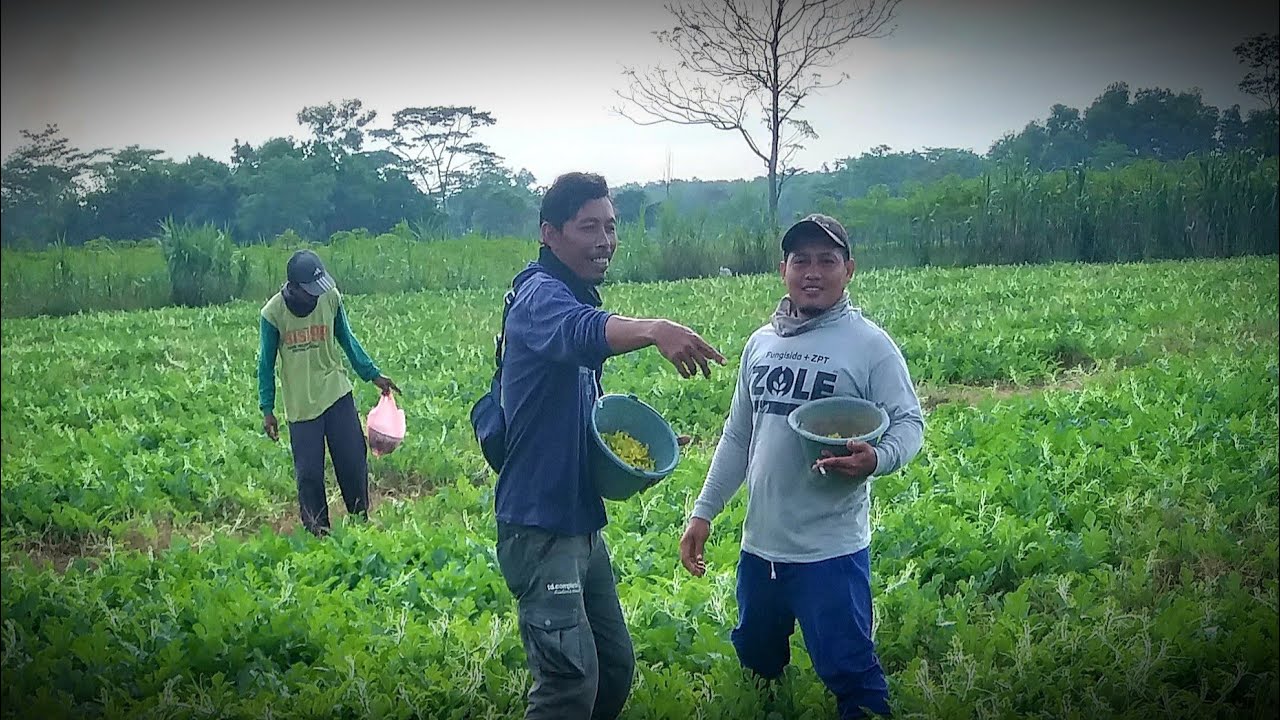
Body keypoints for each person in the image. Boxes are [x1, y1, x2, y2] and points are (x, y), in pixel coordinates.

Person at [494, 171, 726, 720]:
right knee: (567, 687)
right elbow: (580, 331)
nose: (605, 240)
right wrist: (654, 329)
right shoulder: (540, 297)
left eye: (611, 226)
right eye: (588, 227)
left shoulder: (570, 291)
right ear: (550, 233)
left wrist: (613, 445)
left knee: (613, 667)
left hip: (581, 524)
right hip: (541, 524)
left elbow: (575, 376)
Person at [678, 214, 924, 719]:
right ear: (783, 269)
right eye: (801, 260)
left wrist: (876, 457)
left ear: (848, 270)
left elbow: (909, 424)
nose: (813, 271)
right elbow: (738, 435)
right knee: (758, 661)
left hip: (830, 551)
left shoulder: (869, 346)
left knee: (852, 673)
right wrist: (703, 513)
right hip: (760, 548)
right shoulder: (761, 344)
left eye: (827, 261)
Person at [258, 249, 400, 536]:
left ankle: (361, 520)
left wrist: (372, 374)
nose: (315, 295)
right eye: (309, 290)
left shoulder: (330, 298)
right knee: (308, 474)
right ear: (294, 287)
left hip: (335, 391)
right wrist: (267, 409)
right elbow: (265, 364)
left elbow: (347, 339)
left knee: (353, 457)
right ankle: (318, 532)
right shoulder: (273, 314)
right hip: (301, 404)